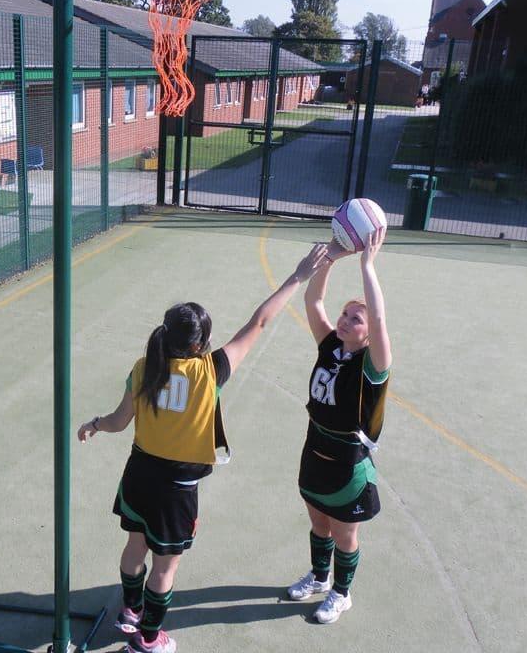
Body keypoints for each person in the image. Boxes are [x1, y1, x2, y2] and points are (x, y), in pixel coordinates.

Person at [77, 244, 328, 653]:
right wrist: (297, 276)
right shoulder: (210, 370)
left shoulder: (145, 368)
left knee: (134, 546)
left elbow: (120, 421)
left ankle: (130, 612)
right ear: (199, 346)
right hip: (176, 489)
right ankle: (149, 639)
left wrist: (94, 425)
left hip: (138, 475)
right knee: (165, 565)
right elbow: (259, 322)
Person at [286, 227, 391, 624]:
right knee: (317, 520)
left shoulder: (373, 366)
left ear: (369, 334)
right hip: (315, 448)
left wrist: (366, 263)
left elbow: (380, 319)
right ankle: (318, 576)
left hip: (348, 461)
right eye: (345, 315)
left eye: (355, 319)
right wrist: (330, 256)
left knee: (346, 534)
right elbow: (314, 299)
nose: (346, 322)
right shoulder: (330, 345)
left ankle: (341, 594)